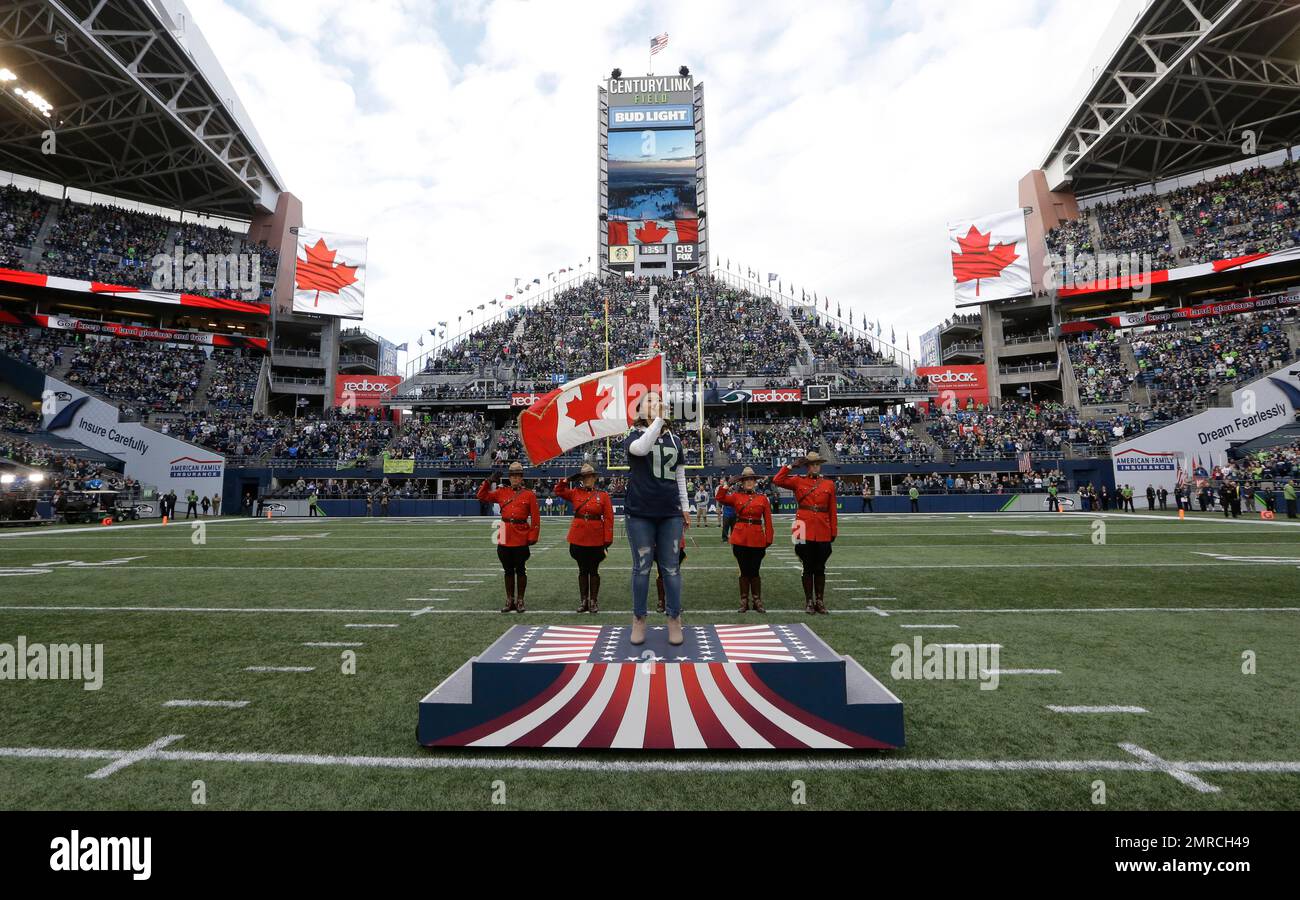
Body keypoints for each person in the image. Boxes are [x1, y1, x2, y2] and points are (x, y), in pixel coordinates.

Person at [622, 392, 689, 646]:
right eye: (648, 401)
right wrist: (658, 421)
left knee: (671, 568)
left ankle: (674, 618)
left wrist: (685, 506)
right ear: (639, 410)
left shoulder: (675, 439)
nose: (654, 403)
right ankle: (639, 618)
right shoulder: (633, 434)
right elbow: (641, 449)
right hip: (640, 510)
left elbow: (680, 475)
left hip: (669, 510)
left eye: (656, 400)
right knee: (642, 567)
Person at [774, 450, 837, 615]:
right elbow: (777, 480)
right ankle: (809, 601)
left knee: (820, 567)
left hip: (823, 527)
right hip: (801, 527)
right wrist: (790, 466)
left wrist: (833, 531)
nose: (815, 467)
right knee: (807, 566)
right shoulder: (797, 481)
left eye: (817, 464)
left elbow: (832, 510)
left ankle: (820, 601)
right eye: (812, 464)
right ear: (807, 466)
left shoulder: (828, 484)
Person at [476, 461, 540, 613]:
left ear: (521, 478)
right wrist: (489, 481)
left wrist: (533, 536)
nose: (515, 479)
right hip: (504, 533)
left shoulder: (529, 494)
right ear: (509, 477)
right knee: (507, 570)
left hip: (521, 534)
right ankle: (509, 599)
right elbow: (481, 496)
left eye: (518, 476)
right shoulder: (501, 492)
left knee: (521, 570)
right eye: (512, 476)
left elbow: (536, 518)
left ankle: (520, 600)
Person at [554, 462, 614, 614]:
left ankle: (593, 601)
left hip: (596, 538)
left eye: (590, 477)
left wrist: (608, 538)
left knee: (594, 570)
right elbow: (558, 491)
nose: (587, 480)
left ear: (594, 478)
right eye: (584, 477)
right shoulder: (575, 493)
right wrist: (567, 480)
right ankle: (583, 601)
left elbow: (608, 518)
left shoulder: (603, 496)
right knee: (582, 570)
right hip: (578, 537)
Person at [715, 468, 774, 613]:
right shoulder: (735, 496)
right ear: (741, 482)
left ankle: (757, 600)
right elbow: (719, 498)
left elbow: (768, 521)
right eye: (746, 479)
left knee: (755, 570)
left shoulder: (762, 499)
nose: (749, 482)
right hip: (740, 538)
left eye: (751, 479)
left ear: (755, 482)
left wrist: (769, 538)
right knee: (743, 571)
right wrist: (728, 484)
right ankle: (744, 601)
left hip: (757, 538)